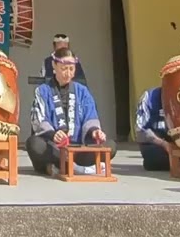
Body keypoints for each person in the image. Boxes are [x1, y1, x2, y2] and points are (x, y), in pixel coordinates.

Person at [27, 47, 116, 176]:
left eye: (71, 69)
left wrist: (95, 131)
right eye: (64, 69)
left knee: (110, 145)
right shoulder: (42, 91)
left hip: (79, 148)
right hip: (55, 147)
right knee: (34, 143)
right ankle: (77, 168)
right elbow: (38, 119)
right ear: (54, 66)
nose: (67, 73)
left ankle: (62, 167)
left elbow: (90, 116)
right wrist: (53, 134)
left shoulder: (82, 91)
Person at [134, 87, 172, 171]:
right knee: (154, 160)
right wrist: (163, 144)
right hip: (156, 143)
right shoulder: (149, 97)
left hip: (178, 142)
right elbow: (140, 131)